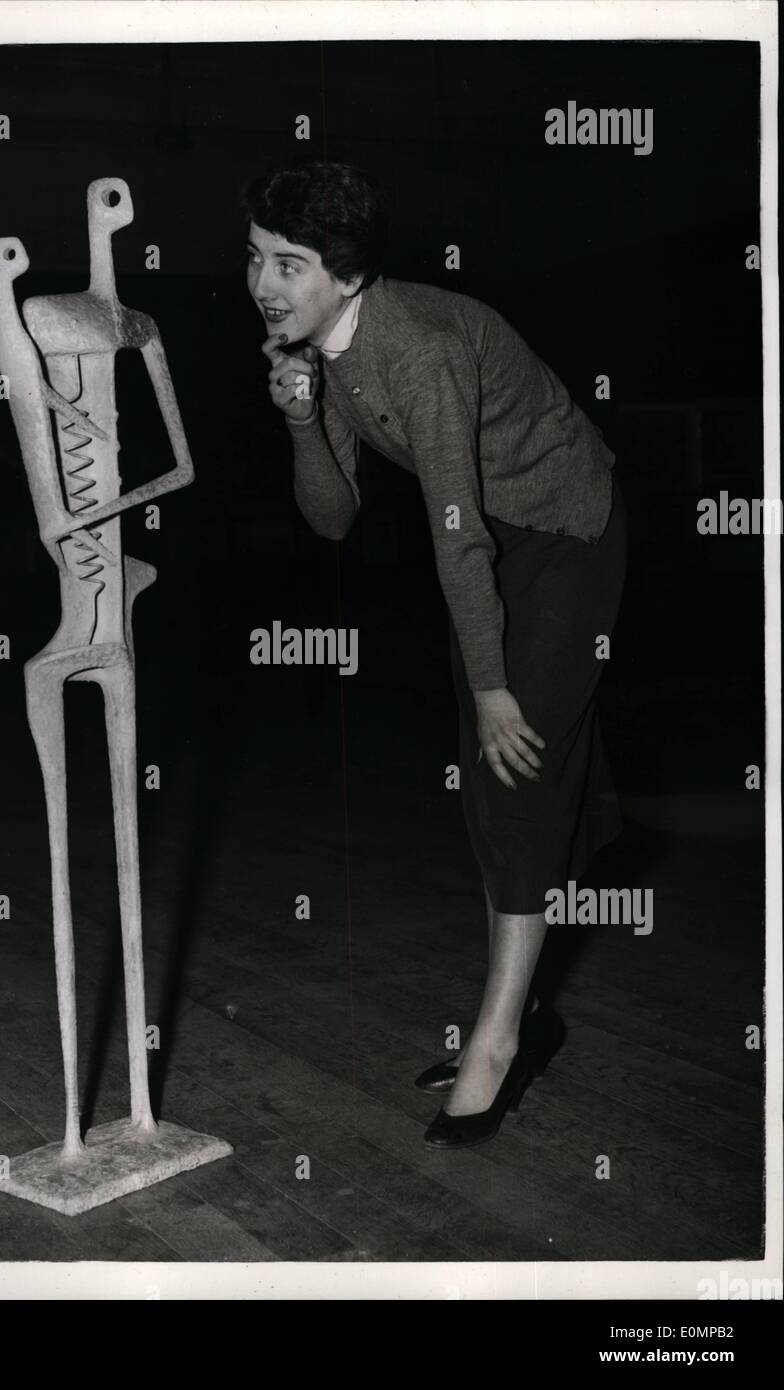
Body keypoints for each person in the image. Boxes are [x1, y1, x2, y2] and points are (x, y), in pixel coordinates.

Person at [242, 159, 627, 1148]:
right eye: (255, 258)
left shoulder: (416, 349)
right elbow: (333, 520)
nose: (264, 284)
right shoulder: (323, 350)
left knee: (514, 764)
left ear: (348, 277)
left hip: (567, 526)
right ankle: (520, 1012)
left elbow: (455, 533)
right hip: (498, 534)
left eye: (289, 264)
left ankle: (498, 1040)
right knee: (492, 782)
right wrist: (298, 419)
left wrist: (496, 686)